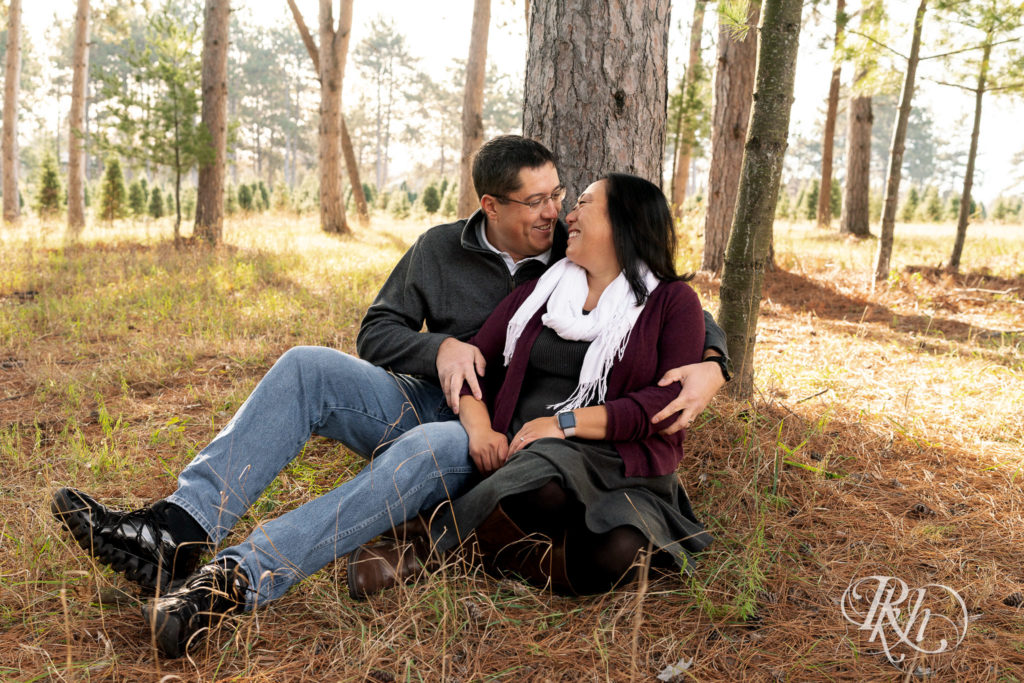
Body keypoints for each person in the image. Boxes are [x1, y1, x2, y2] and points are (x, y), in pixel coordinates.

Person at [50, 136, 729, 658]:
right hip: (441, 403)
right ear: (490, 206)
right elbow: (377, 330)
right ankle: (177, 528)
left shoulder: (566, 256)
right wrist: (441, 351)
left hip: (497, 435)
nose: (555, 211)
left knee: (427, 451)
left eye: (560, 196)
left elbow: (667, 302)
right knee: (306, 367)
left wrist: (712, 364)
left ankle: (235, 579)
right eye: (536, 201)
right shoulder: (444, 251)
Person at [350, 174, 714, 596]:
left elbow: (665, 403)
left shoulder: (672, 301)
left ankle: (471, 545)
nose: (568, 216)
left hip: (624, 464)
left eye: (583, 204)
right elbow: (473, 365)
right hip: (534, 459)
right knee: (543, 482)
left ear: (623, 221)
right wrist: (480, 429)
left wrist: (564, 424)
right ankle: (424, 550)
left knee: (622, 553)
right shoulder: (542, 291)